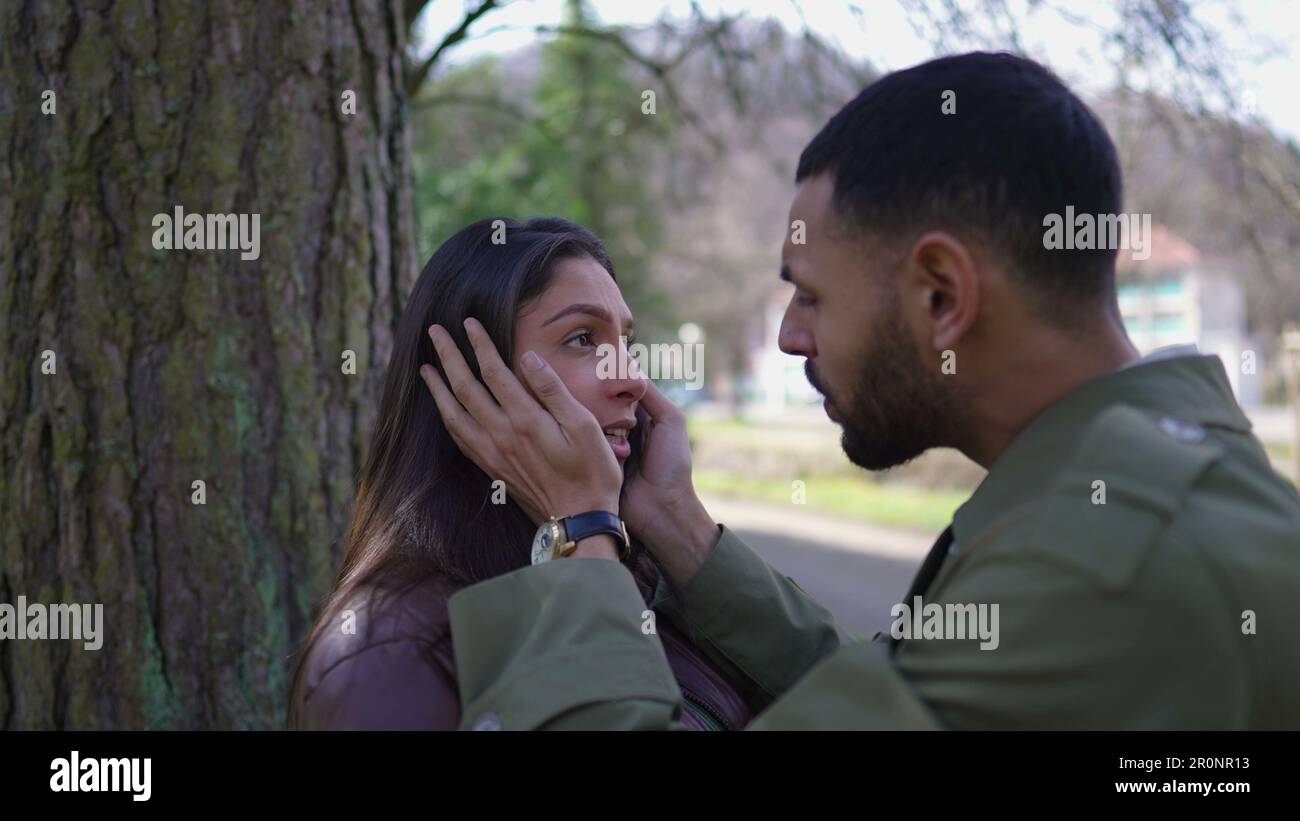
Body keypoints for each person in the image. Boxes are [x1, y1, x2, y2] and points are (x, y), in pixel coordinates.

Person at [422, 52, 1300, 729]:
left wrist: (581, 535)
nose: (788, 334)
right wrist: (678, 532)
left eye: (811, 293)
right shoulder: (1142, 487)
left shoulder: (1105, 565)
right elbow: (905, 701)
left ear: (941, 297)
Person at [287, 217, 761, 730]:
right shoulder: (391, 652)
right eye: (583, 339)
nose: (630, 378)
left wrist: (668, 519)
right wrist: (582, 525)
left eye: (626, 342)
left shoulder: (645, 584)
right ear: (472, 383)